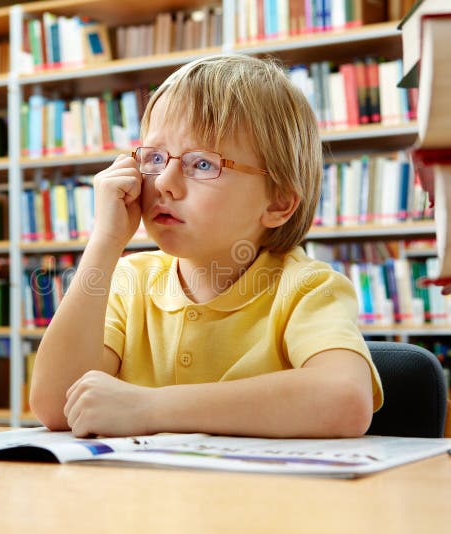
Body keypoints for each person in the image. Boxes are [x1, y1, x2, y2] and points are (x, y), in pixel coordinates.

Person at [29, 54, 383, 438]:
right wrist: (105, 241)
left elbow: (345, 399)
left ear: (278, 203)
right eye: (154, 157)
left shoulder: (306, 288)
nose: (164, 181)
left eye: (201, 164)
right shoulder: (130, 280)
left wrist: (147, 408)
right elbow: (56, 405)